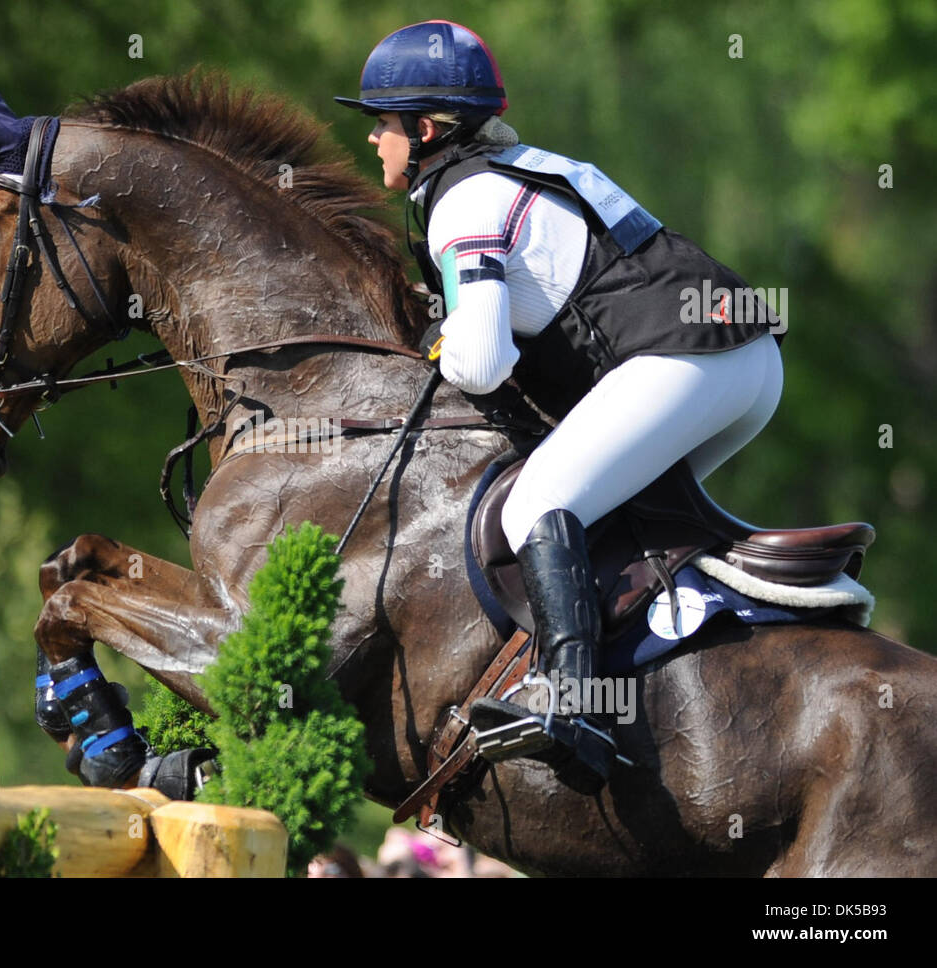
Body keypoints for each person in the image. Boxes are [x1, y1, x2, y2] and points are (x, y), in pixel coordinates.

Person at [335, 22, 785, 778]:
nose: (373, 140)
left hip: (689, 360)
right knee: (604, 522)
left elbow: (479, 363)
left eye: (382, 123)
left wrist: (437, 343)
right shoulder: (505, 171)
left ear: (424, 128)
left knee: (537, 500)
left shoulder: (464, 202)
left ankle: (570, 702)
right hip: (739, 361)